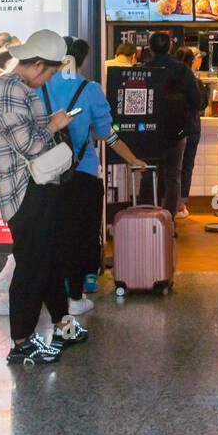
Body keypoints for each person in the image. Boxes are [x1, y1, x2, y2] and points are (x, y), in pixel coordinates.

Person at [0, 29, 86, 365]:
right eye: (51, 73)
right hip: (22, 190)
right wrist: (55, 125)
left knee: (48, 259)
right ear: (39, 65)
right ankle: (21, 342)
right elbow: (29, 144)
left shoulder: (21, 89)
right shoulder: (10, 90)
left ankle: (61, 324)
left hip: (36, 187)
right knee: (31, 265)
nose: (49, 80)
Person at [43, 37, 147, 314]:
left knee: (51, 234)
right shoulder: (89, 90)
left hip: (44, 173)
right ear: (81, 61)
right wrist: (132, 158)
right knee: (81, 234)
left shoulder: (37, 87)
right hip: (82, 173)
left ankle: (49, 295)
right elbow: (105, 134)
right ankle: (76, 297)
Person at [136, 32, 199, 219]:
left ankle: (145, 217)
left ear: (150, 48)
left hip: (148, 132)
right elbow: (196, 102)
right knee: (173, 177)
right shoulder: (183, 71)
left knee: (148, 174)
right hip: (176, 131)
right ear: (170, 47)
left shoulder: (143, 70)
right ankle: (169, 220)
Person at [173, 46, 204, 218]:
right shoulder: (193, 80)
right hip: (191, 128)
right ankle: (180, 205)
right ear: (192, 61)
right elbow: (201, 104)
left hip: (171, 128)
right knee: (186, 166)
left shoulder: (168, 78)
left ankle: (168, 203)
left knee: (172, 167)